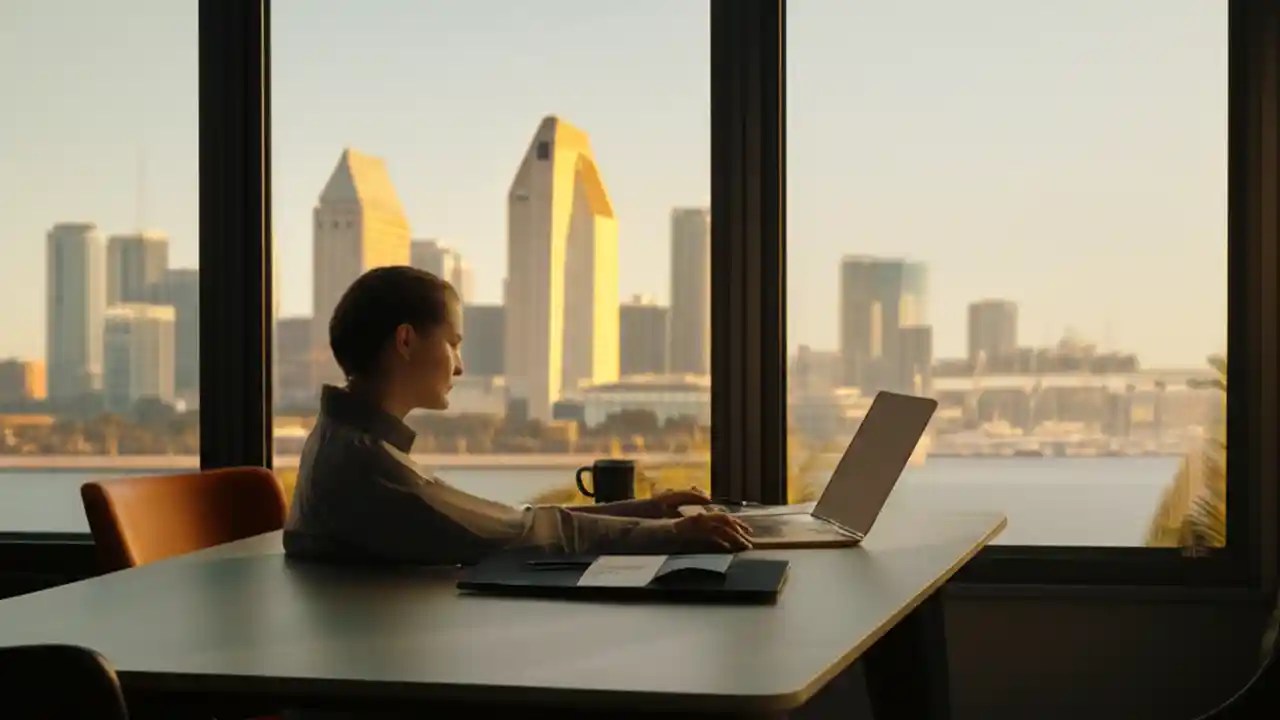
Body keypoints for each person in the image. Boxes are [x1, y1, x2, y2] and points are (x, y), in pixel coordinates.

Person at [283, 266, 753, 566]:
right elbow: (519, 531)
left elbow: (509, 520)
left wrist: (644, 509)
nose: (461, 366)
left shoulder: (341, 440)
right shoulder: (372, 467)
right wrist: (670, 533)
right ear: (405, 341)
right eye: (454, 344)